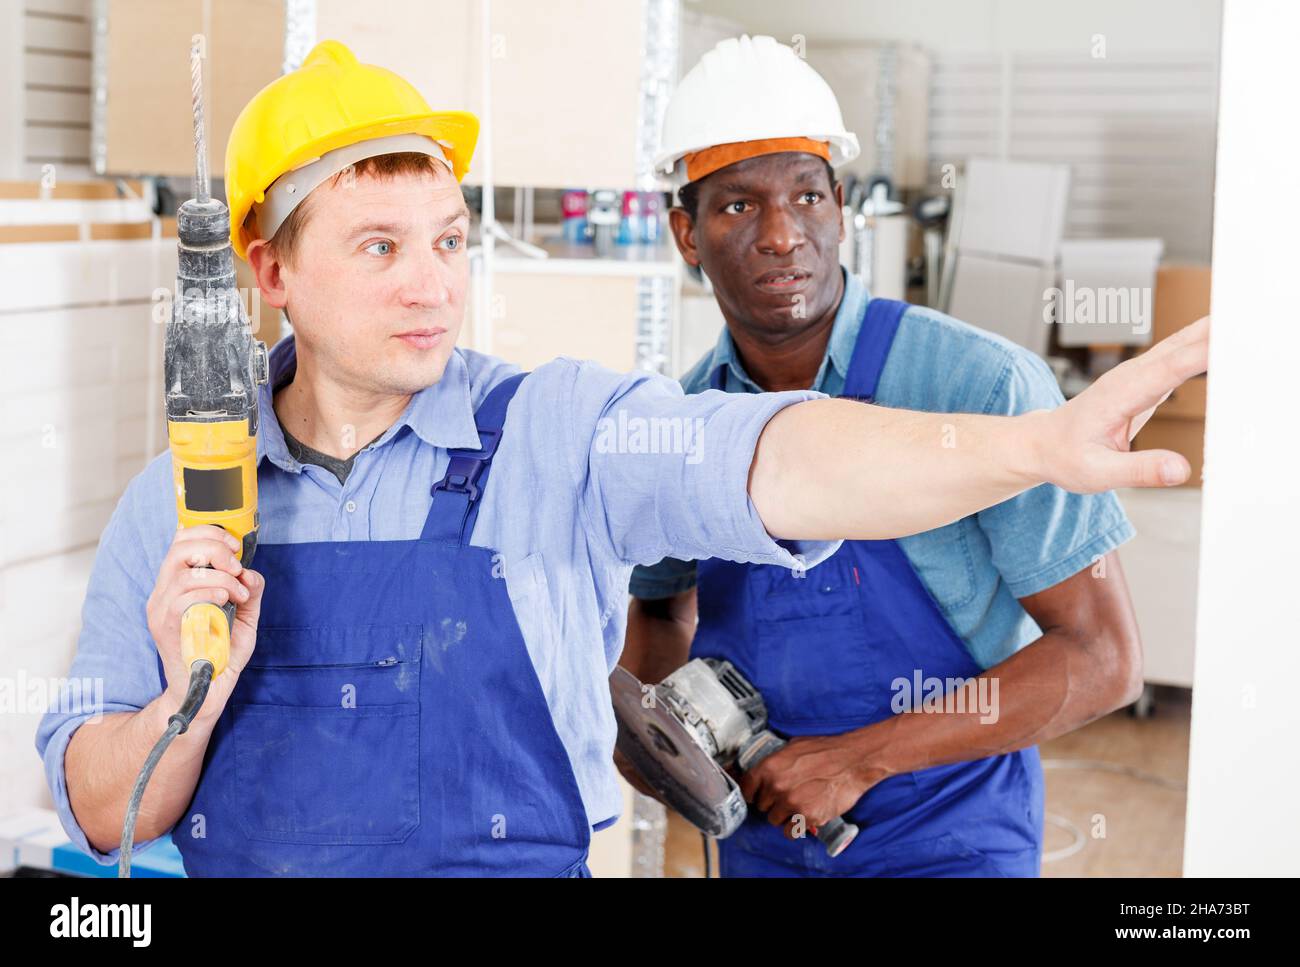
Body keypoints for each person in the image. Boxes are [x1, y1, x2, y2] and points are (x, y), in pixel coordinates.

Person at [37, 40, 1207, 877]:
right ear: (270, 269)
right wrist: (193, 694)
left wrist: (1026, 444)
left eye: (448, 240)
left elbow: (771, 460)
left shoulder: (550, 435)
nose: (433, 282)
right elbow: (100, 810)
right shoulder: (185, 504)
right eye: (380, 246)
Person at [620, 35, 1165, 877]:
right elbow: (661, 610)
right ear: (686, 235)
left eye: (806, 195)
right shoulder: (683, 423)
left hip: (950, 835)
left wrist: (857, 759)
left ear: (840, 207)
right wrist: (661, 733)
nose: (780, 234)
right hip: (763, 840)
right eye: (736, 207)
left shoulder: (981, 385)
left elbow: (1102, 656)